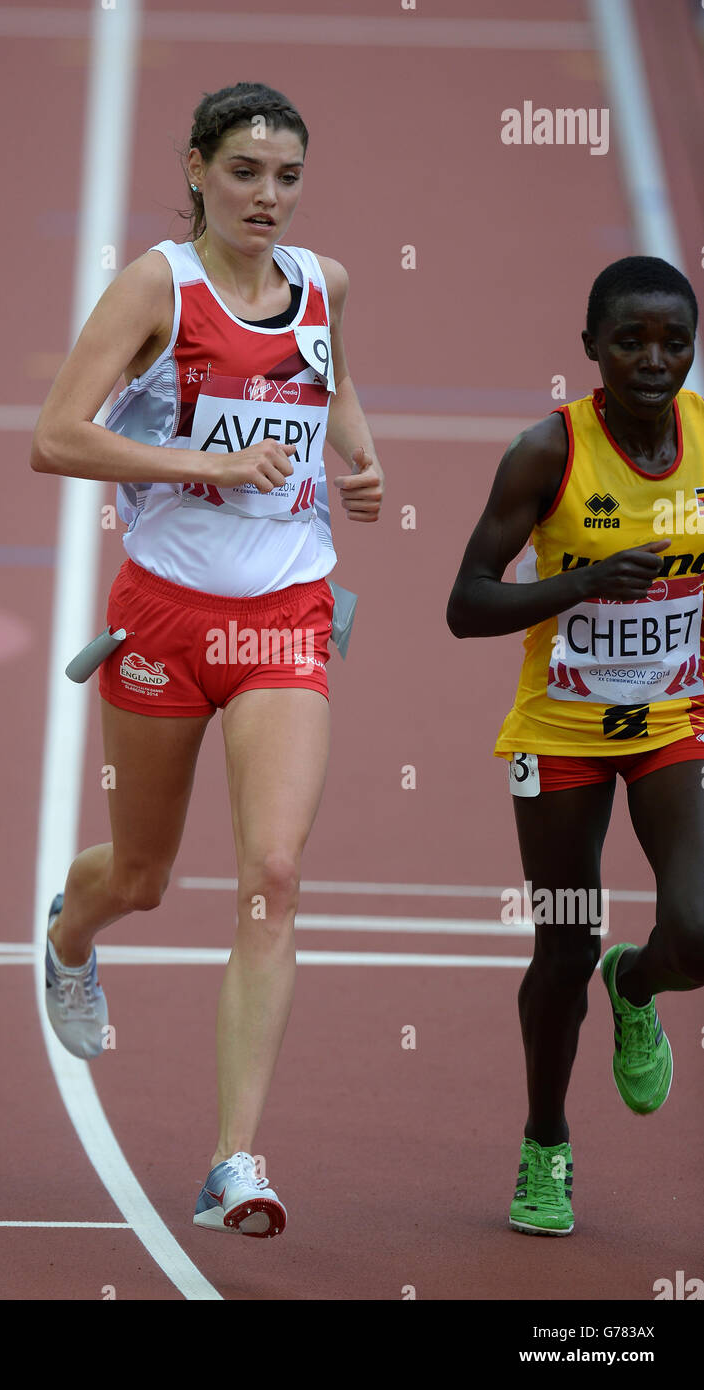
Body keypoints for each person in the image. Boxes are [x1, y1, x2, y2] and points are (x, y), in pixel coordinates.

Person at [30, 82, 384, 1238]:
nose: (266, 197)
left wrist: (361, 461)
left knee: (271, 873)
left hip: (283, 612)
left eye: (285, 176)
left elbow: (324, 383)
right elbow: (54, 437)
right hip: (163, 621)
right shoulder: (155, 286)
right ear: (195, 169)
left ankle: (235, 1156)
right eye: (243, 172)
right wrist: (197, 463)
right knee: (142, 876)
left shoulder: (322, 285)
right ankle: (68, 937)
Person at [447, 256, 703, 1235]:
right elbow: (466, 604)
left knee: (698, 928)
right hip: (558, 740)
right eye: (629, 340)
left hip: (672, 726)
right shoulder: (544, 452)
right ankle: (544, 1146)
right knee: (563, 943)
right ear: (590, 347)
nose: (652, 358)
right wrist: (582, 582)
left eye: (672, 341)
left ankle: (635, 986)